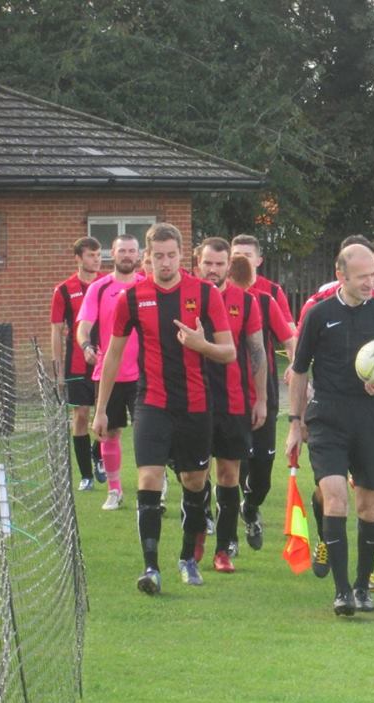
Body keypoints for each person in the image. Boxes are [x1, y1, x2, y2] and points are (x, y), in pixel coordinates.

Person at [93, 222, 235, 594]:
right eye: (159, 256)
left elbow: (228, 352)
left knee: (194, 482)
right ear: (148, 257)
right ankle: (150, 568)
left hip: (196, 405)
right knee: (149, 479)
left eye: (172, 255)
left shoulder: (204, 293)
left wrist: (201, 345)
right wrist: (101, 408)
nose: (166, 262)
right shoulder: (132, 297)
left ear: (182, 255)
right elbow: (112, 355)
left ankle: (188, 558)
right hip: (151, 403)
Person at [286, 244, 374, 617]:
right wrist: (295, 423)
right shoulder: (319, 314)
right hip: (327, 416)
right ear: (340, 275)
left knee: (369, 504)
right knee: (335, 497)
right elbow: (299, 371)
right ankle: (342, 591)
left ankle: (362, 586)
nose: (370, 282)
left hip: (372, 417)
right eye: (362, 277)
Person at [195, 240, 268, 573]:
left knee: (228, 474)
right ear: (198, 264)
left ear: (229, 266)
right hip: (192, 399)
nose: (213, 270)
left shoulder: (246, 301)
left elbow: (257, 352)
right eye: (208, 263)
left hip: (233, 401)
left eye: (219, 264)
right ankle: (197, 530)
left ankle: (223, 549)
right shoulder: (187, 298)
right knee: (194, 476)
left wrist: (261, 399)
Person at [231, 235, 296, 552]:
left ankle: (251, 505)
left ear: (258, 259)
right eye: (236, 254)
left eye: (247, 254)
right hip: (228, 393)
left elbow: (289, 334)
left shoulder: (268, 296)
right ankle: (227, 539)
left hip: (263, 391)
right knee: (231, 465)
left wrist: (296, 365)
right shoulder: (215, 295)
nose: (241, 260)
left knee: (262, 472)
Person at [76, 234, 143, 510]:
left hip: (144, 375)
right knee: (108, 432)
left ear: (138, 255)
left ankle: (154, 488)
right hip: (108, 375)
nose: (127, 255)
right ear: (112, 254)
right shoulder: (99, 288)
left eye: (131, 251)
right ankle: (114, 491)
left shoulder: (147, 286)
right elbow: (83, 326)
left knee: (148, 432)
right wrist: (86, 345)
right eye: (121, 250)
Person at [51, 236, 102, 491]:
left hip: (105, 361)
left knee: (108, 416)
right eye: (91, 255)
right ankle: (86, 476)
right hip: (76, 363)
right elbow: (56, 331)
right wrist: (58, 370)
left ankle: (98, 452)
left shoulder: (107, 284)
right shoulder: (63, 290)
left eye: (99, 254)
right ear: (78, 258)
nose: (97, 259)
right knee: (81, 415)